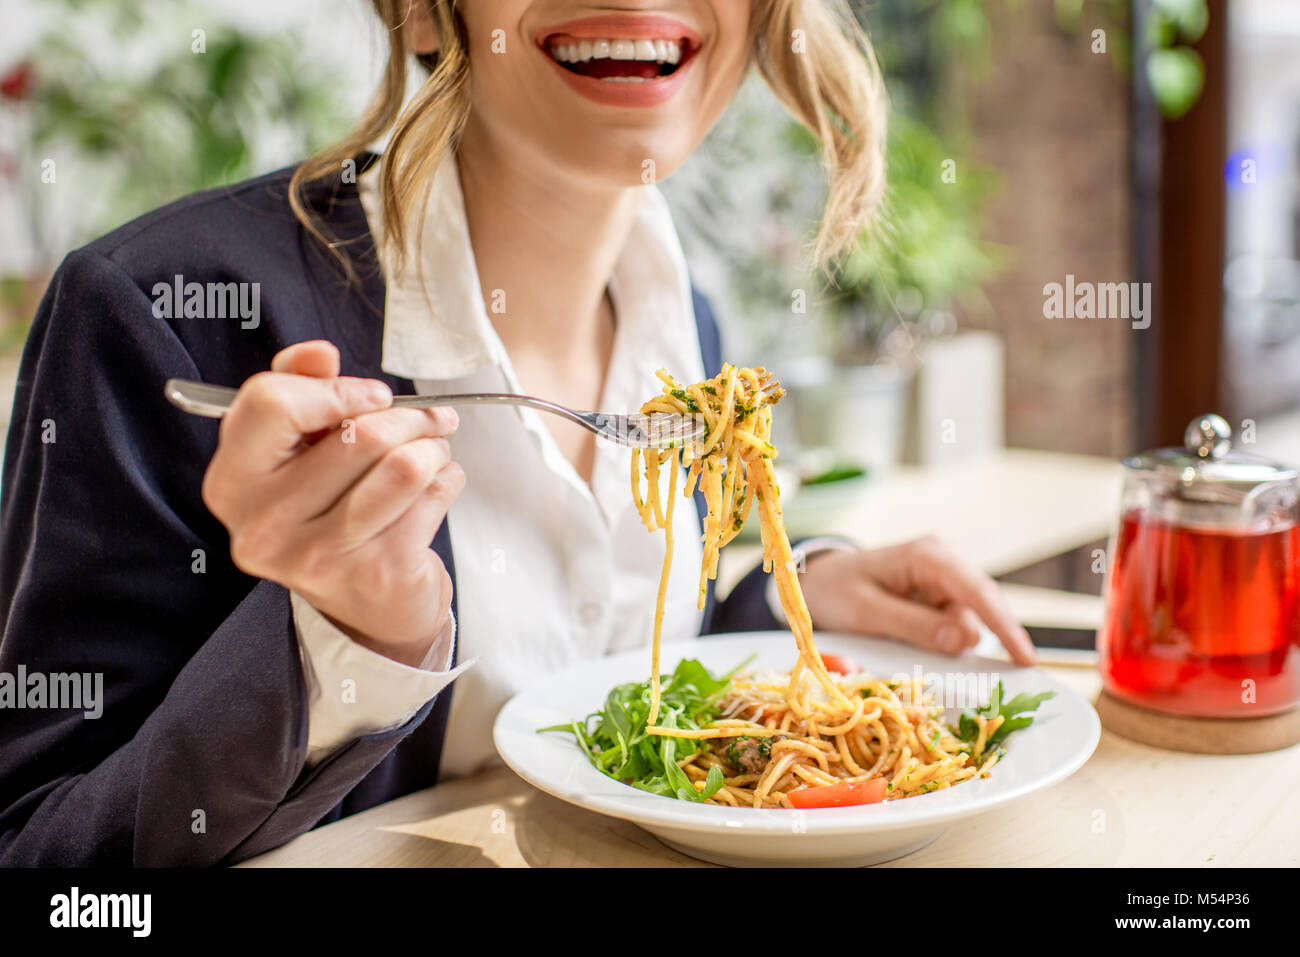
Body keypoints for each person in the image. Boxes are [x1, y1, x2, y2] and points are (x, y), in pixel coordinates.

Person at [0, 0, 1034, 866]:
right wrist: (342, 641)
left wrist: (778, 602)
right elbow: (41, 852)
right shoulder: (165, 315)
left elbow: (589, 678)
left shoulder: (692, 331)